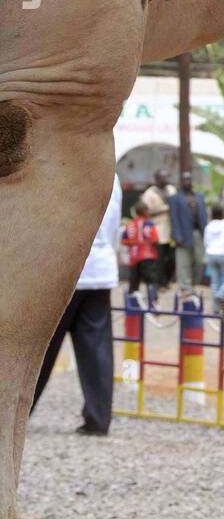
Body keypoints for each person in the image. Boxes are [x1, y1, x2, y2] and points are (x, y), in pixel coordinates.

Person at [30, 173, 121, 435]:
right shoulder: (112, 175)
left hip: (63, 271)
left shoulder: (62, 168)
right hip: (101, 270)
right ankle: (98, 419)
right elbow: (113, 225)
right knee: (97, 351)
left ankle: (18, 411)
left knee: (39, 348)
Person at [169, 170, 208, 292]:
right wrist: (177, 236)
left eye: (189, 179)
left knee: (201, 261)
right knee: (183, 263)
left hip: (198, 233)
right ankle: (185, 287)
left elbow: (204, 215)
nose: (187, 181)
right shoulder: (175, 198)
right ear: (181, 182)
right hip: (183, 234)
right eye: (185, 179)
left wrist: (206, 233)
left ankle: (194, 283)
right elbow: (173, 218)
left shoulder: (199, 196)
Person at [140, 168, 176, 290]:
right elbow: (144, 211)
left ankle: (167, 280)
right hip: (158, 230)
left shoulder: (172, 190)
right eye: (162, 177)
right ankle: (160, 283)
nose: (165, 179)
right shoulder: (149, 194)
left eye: (167, 177)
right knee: (159, 259)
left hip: (172, 230)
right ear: (156, 179)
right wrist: (164, 209)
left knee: (172, 258)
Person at [122, 201, 159, 308]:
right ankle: (153, 302)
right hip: (148, 256)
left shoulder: (130, 224)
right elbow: (155, 239)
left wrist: (133, 243)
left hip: (134, 257)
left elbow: (124, 241)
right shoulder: (149, 224)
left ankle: (132, 304)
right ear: (144, 211)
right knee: (151, 280)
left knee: (134, 280)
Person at [204, 203, 224, 313]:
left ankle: (216, 308)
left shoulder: (209, 226)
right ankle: (219, 296)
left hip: (211, 254)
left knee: (215, 281)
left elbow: (206, 242)